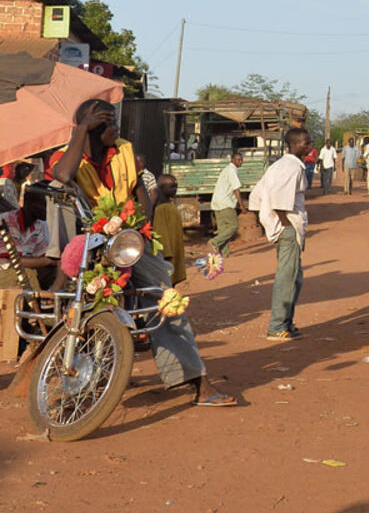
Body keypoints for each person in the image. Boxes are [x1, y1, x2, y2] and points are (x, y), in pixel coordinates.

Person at [50, 98, 234, 406]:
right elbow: (63, 176)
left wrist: (141, 232)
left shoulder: (124, 150)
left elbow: (138, 190)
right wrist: (81, 129)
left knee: (165, 301)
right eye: (107, 123)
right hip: (92, 243)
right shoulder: (71, 155)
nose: (116, 127)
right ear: (92, 128)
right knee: (86, 309)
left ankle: (198, 383)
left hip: (131, 240)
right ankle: (77, 389)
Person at [249, 127, 310, 341]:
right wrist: (285, 225)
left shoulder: (280, 165)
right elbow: (279, 200)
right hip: (288, 228)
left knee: (295, 277)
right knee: (287, 277)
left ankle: (286, 322)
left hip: (286, 227)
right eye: (306, 143)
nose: (309, 146)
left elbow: (257, 195)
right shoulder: (291, 167)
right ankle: (277, 325)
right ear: (295, 144)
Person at [0, 163, 55, 290]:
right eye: (45, 204)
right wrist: (48, 260)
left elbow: (40, 256)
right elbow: (16, 260)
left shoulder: (37, 226)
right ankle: (36, 307)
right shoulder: (7, 221)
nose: (49, 210)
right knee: (29, 275)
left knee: (55, 272)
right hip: (4, 271)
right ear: (30, 202)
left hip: (19, 272)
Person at [152, 174, 187, 285]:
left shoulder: (169, 205)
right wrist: (166, 253)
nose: (175, 189)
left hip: (174, 248)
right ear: (162, 188)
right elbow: (161, 233)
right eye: (172, 186)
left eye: (176, 186)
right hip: (168, 253)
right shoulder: (161, 209)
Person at [208, 150, 245, 256]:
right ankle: (214, 242)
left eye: (241, 159)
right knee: (233, 226)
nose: (240, 161)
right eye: (238, 159)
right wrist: (242, 205)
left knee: (223, 229)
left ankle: (224, 254)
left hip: (217, 202)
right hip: (225, 202)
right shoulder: (232, 170)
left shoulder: (227, 169)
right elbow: (236, 189)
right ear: (233, 160)